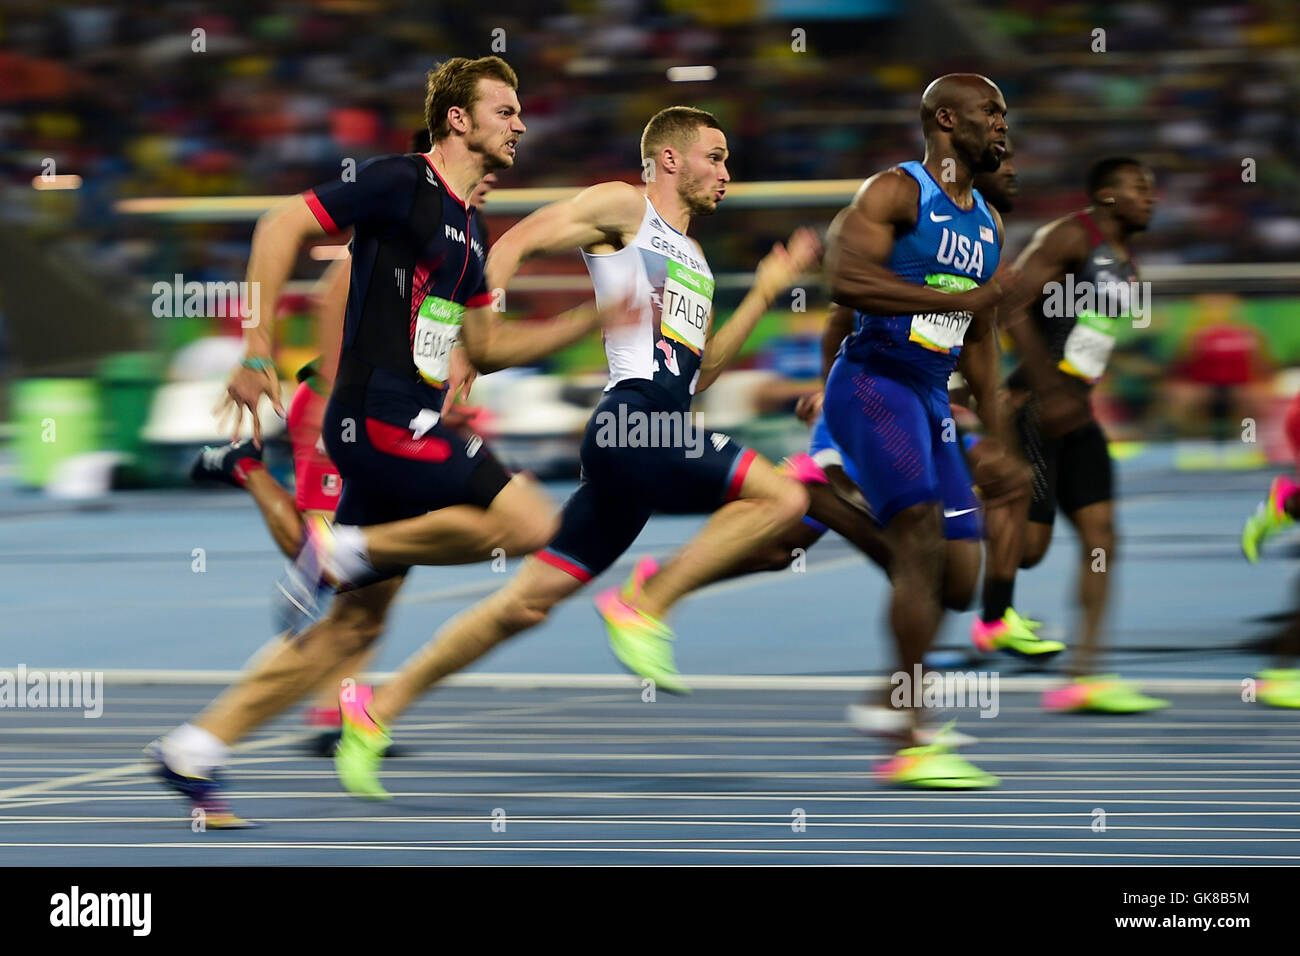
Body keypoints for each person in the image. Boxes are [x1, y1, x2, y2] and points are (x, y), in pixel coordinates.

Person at [148, 56, 621, 826]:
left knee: (356, 627)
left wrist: (598, 320)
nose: (522, 124)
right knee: (534, 523)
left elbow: (488, 346)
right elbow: (282, 223)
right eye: (505, 110)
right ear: (459, 120)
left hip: (411, 421)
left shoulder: (472, 228)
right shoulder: (403, 182)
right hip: (375, 417)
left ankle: (195, 747)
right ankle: (339, 552)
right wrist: (259, 348)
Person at [329, 105, 819, 798]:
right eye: (716, 156)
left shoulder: (699, 264)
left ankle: (376, 711)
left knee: (526, 604)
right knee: (785, 498)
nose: (726, 174)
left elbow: (701, 372)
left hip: (655, 440)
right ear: (671, 160)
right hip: (631, 422)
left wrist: (764, 292)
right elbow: (515, 243)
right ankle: (645, 602)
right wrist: (479, 338)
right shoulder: (626, 207)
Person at [820, 73, 1025, 788]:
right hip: (873, 381)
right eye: (991, 112)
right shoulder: (896, 192)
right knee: (919, 534)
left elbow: (981, 338)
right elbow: (847, 282)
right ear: (947, 119)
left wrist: (997, 439)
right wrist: (962, 295)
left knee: (960, 580)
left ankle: (824, 500)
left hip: (932, 399)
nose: (1003, 125)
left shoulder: (988, 224)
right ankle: (910, 733)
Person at [993, 156, 1166, 713]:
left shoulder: (1124, 259)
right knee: (1030, 550)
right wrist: (1049, 391)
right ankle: (935, 517)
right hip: (1035, 410)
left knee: (1103, 536)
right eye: (1139, 189)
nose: (1152, 198)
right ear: (1106, 196)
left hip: (1078, 412)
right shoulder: (1070, 235)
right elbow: (1011, 308)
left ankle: (1083, 676)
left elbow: (1091, 336)